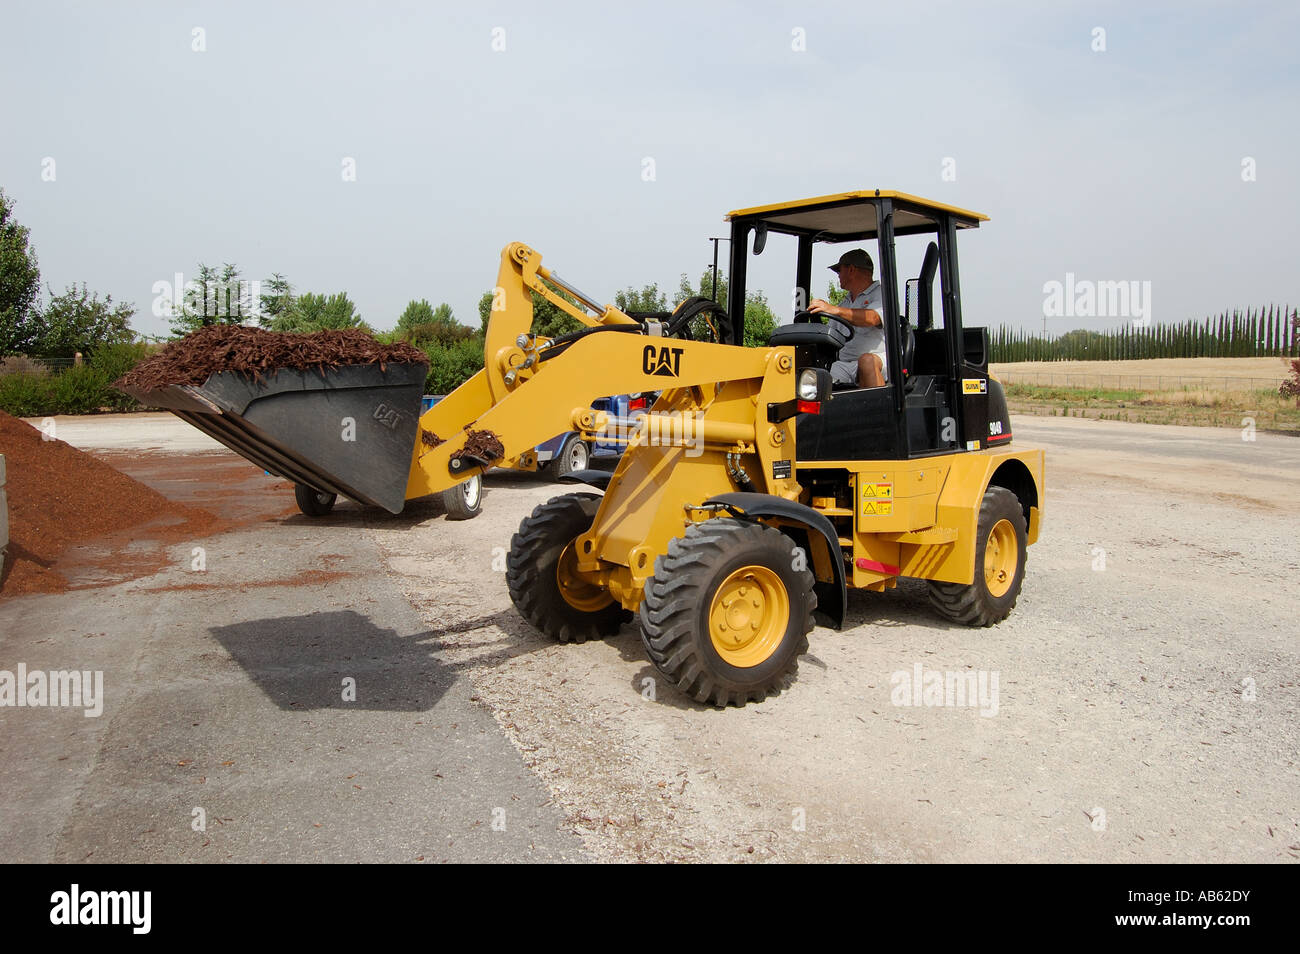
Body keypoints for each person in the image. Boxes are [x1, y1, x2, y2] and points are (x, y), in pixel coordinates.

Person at [808, 248, 887, 388]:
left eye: (839, 270)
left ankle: (881, 409)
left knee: (867, 362)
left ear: (851, 270)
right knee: (811, 377)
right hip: (845, 364)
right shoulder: (845, 303)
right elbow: (830, 337)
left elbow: (872, 318)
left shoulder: (882, 294)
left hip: (881, 359)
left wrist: (833, 309)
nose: (838, 275)